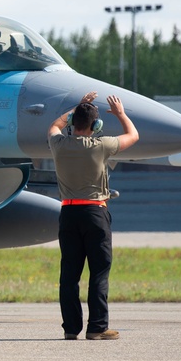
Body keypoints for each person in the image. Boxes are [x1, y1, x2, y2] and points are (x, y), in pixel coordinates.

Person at [47, 91, 139, 340]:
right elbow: (133, 135)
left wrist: (78, 107)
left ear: (73, 122)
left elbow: (54, 126)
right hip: (95, 212)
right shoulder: (102, 145)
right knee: (98, 272)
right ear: (95, 126)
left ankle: (71, 329)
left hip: (68, 213)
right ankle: (97, 327)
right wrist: (121, 114)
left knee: (69, 275)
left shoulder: (58, 145)